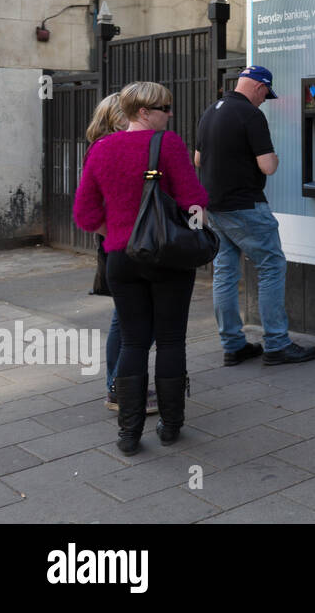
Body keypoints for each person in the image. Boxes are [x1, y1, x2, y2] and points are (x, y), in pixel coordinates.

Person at [73, 82, 206, 454]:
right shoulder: (169, 144)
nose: (170, 114)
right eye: (164, 108)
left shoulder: (101, 149)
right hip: (168, 258)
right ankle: (170, 425)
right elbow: (194, 201)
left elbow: (84, 215)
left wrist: (120, 233)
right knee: (170, 339)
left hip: (122, 259)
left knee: (133, 340)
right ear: (144, 112)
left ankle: (128, 433)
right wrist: (191, 236)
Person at [194, 66, 315, 365]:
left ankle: (233, 345)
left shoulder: (211, 112)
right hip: (246, 206)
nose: (264, 101)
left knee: (225, 273)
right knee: (271, 266)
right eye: (266, 94)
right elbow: (268, 166)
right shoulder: (250, 115)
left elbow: (198, 159)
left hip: (216, 206)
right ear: (259, 87)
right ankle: (276, 343)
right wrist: (274, 156)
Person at [85, 94, 158, 416]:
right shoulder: (107, 150)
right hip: (126, 246)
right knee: (130, 319)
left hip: (125, 244)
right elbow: (92, 210)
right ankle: (120, 386)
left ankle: (123, 383)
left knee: (127, 316)